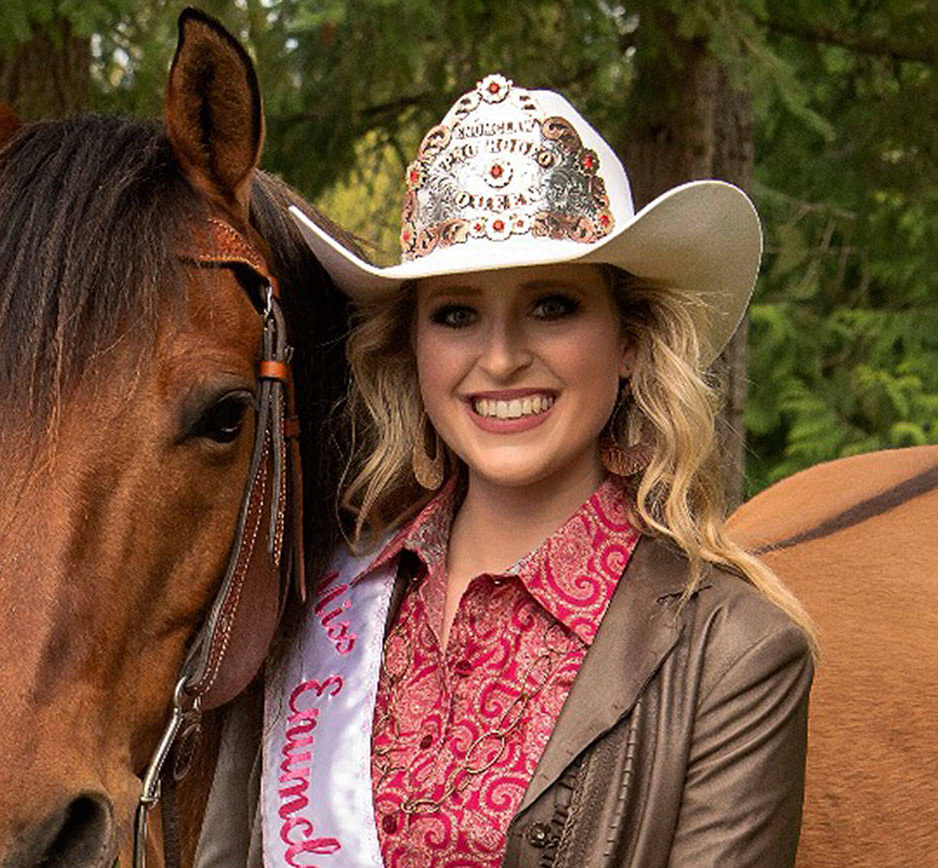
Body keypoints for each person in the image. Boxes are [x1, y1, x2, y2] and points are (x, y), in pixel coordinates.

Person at [195, 74, 815, 868]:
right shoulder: (308, 606)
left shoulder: (738, 654)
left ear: (628, 342)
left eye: (552, 305)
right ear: (412, 350)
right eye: (457, 314)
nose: (500, 357)